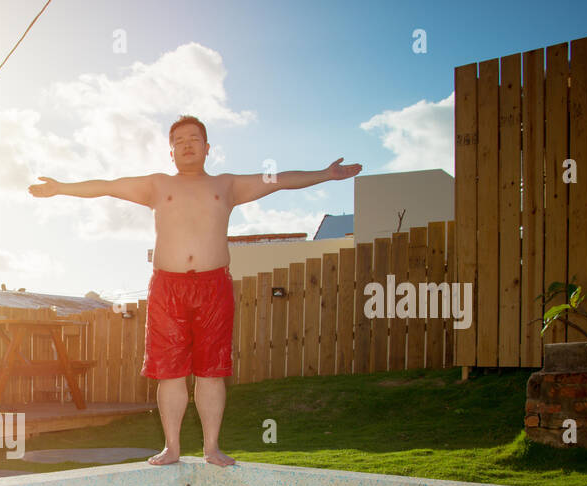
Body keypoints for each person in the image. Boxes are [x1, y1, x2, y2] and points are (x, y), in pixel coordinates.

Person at [29, 114, 361, 466]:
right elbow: (108, 185)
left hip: (213, 286)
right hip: (167, 288)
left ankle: (211, 447)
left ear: (207, 147)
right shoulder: (157, 185)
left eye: (194, 138)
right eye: (179, 140)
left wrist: (326, 174)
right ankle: (171, 446)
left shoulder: (227, 185)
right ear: (171, 152)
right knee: (169, 371)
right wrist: (61, 187)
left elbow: (278, 180)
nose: (187, 144)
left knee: (211, 371)